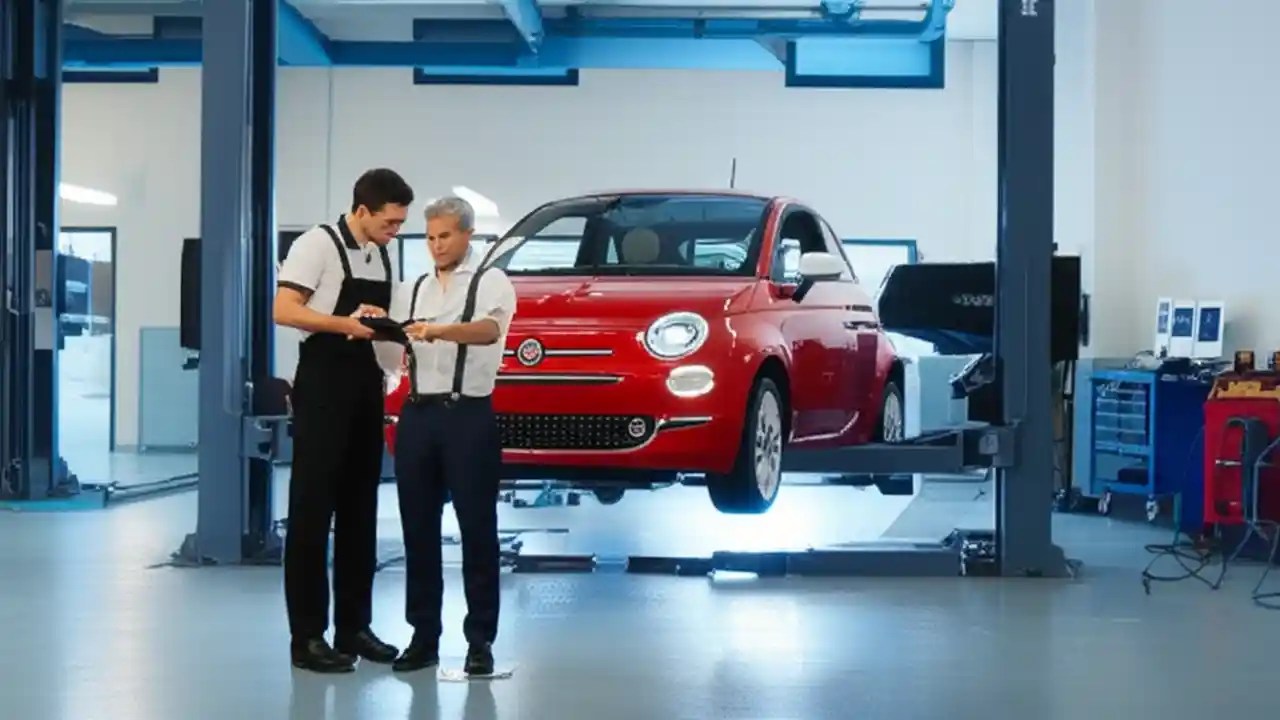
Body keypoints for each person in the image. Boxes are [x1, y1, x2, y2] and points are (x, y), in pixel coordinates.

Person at [273, 168, 414, 673]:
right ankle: (307, 636)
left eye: (399, 224)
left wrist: (379, 323)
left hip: (364, 386)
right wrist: (346, 324)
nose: (395, 231)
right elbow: (284, 309)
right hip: (322, 385)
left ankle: (354, 627)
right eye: (390, 222)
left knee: (360, 510)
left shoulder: (381, 252)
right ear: (361, 211)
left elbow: (372, 317)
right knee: (313, 513)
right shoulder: (317, 244)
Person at [373, 195, 516, 675]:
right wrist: (379, 327)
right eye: (430, 237)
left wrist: (435, 331)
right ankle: (423, 635)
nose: (436, 245)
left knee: (477, 530)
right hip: (419, 415)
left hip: (468, 415)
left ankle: (480, 640)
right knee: (418, 530)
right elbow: (394, 348)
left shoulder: (490, 281)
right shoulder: (411, 288)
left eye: (445, 236)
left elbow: (487, 331)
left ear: (467, 235)